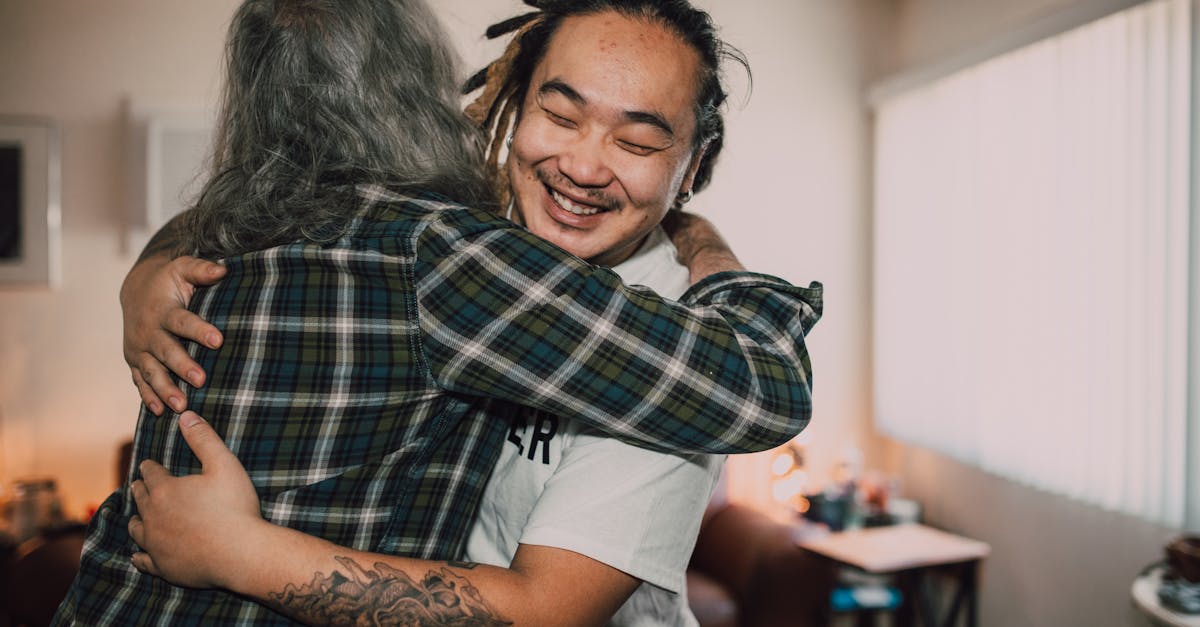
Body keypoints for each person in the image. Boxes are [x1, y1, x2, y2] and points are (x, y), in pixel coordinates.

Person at [57, 0, 822, 625]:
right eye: (560, 116)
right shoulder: (464, 227)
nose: (586, 165)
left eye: (638, 141)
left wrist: (241, 550)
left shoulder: (682, 349)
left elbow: (539, 613)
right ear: (506, 109)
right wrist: (152, 265)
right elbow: (285, 188)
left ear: (692, 166)